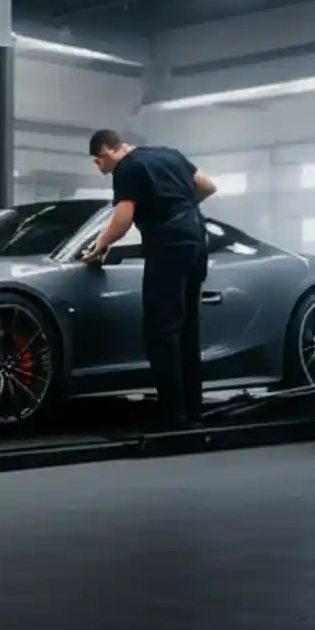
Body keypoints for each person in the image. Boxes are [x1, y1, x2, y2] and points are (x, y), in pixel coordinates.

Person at [80, 129, 218, 430]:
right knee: (187, 330)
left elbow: (123, 218)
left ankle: (172, 415)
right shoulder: (169, 153)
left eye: (97, 161)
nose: (99, 168)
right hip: (196, 241)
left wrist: (99, 247)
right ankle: (193, 412)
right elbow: (208, 187)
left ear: (106, 152)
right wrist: (178, 204)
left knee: (161, 331)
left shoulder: (127, 168)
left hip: (168, 247)